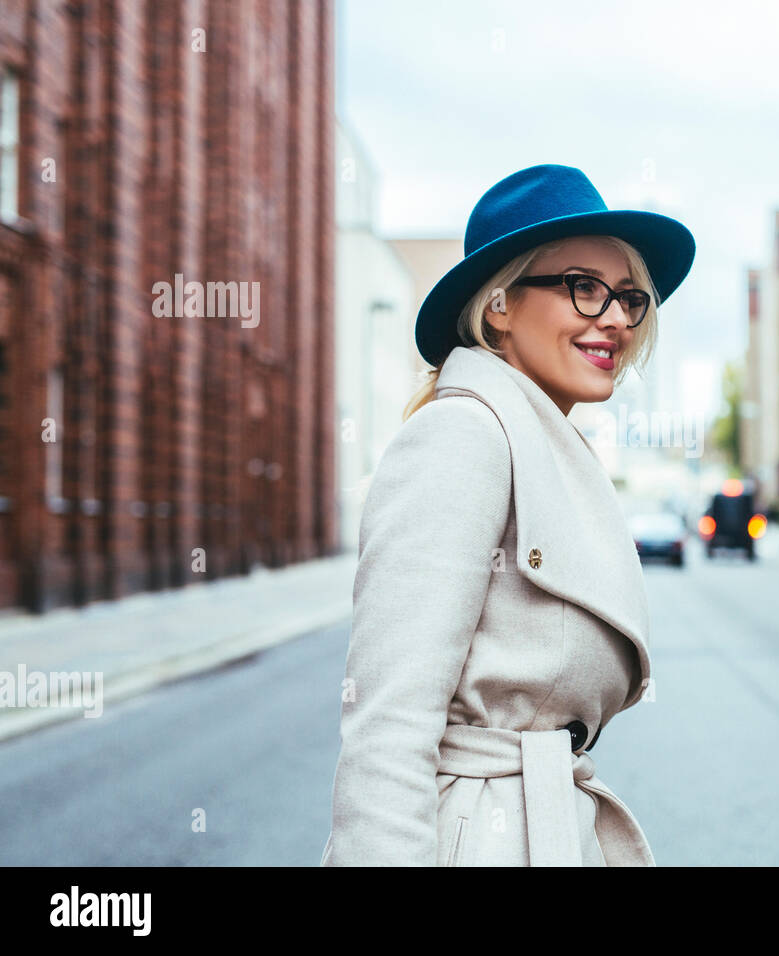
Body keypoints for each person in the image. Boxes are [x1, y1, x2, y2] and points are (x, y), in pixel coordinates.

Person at [320, 164, 695, 865]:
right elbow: (388, 727)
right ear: (499, 302)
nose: (614, 317)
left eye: (627, 297)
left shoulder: (542, 447)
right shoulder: (462, 437)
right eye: (583, 287)